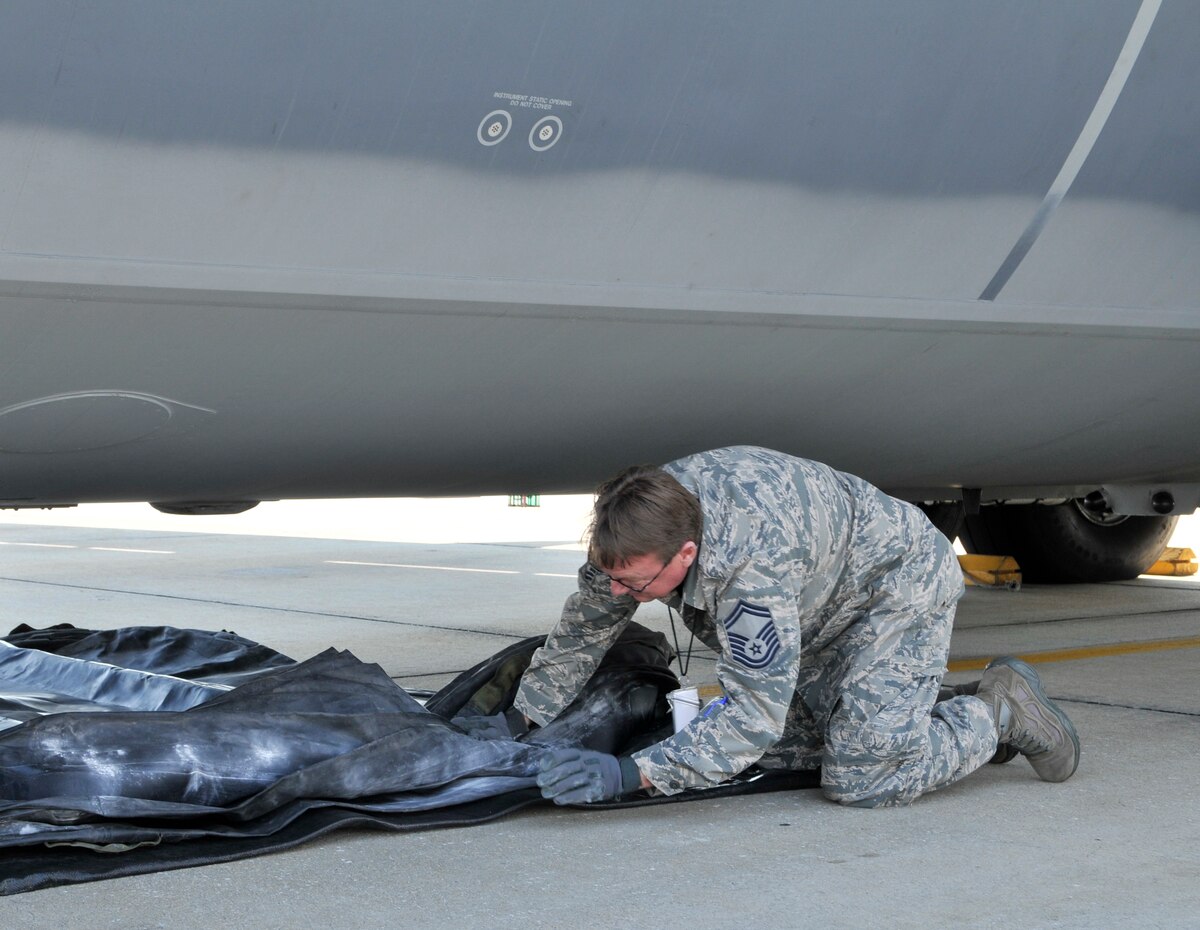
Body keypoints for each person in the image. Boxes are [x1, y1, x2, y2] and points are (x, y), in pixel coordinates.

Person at [485, 446, 1080, 807]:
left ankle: (999, 711)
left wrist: (629, 775)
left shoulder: (749, 570)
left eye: (637, 586)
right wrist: (523, 715)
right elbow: (587, 623)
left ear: (686, 555)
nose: (622, 594)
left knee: (863, 777)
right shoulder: (637, 529)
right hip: (818, 598)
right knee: (788, 755)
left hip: (893, 587)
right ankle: (895, 709)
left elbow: (751, 717)